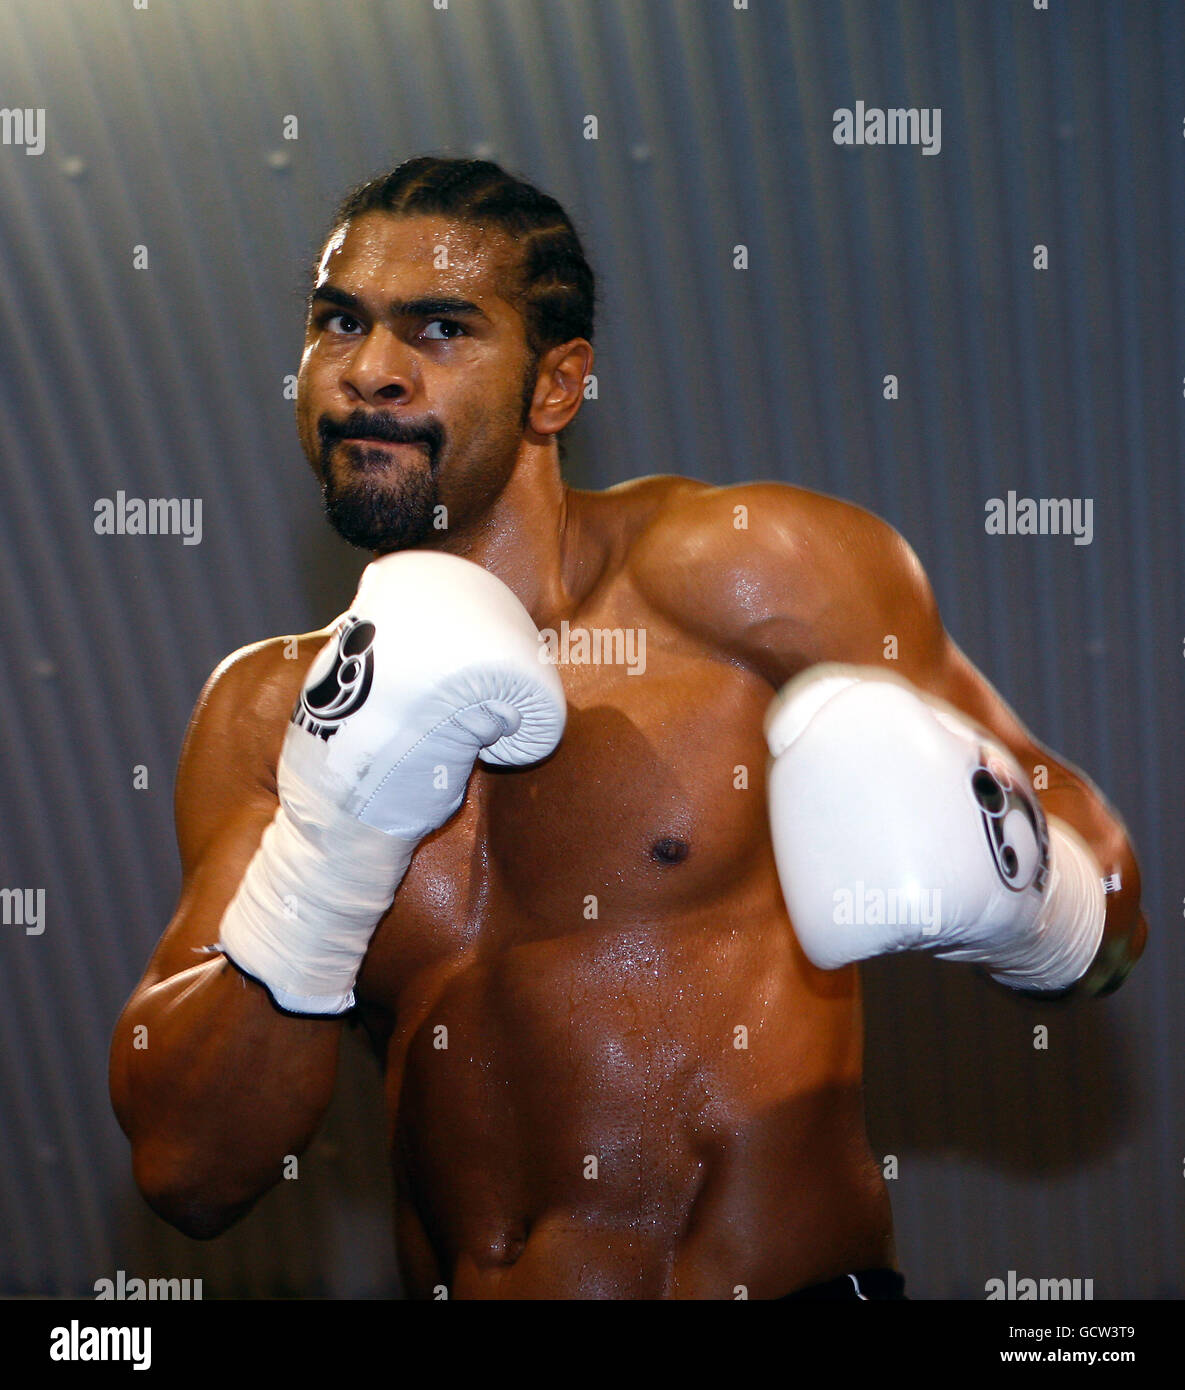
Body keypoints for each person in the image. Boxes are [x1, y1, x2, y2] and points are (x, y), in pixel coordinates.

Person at [109, 156, 1146, 1300]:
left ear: (557, 387)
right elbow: (191, 1171)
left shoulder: (747, 572)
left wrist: (1027, 902)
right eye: (338, 321)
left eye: (439, 329)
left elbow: (1114, 906)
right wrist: (328, 846)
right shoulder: (270, 710)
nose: (370, 372)